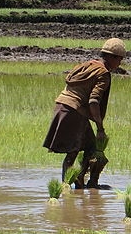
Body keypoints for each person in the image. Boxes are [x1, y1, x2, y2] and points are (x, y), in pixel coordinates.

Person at [43, 38, 126, 189]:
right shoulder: (103, 73)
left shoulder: (88, 65)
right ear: (111, 57)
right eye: (119, 59)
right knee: (73, 152)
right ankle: (68, 185)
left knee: (90, 147)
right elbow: (93, 101)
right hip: (74, 111)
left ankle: (82, 182)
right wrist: (100, 128)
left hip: (63, 107)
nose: (120, 63)